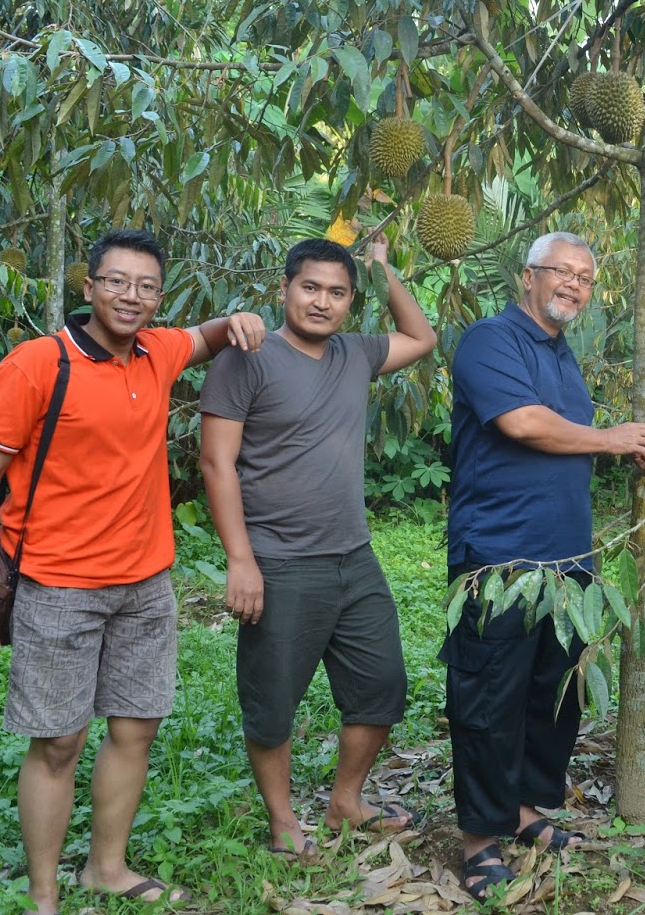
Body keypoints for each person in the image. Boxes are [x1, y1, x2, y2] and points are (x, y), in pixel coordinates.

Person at [0, 229, 265, 915]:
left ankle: (107, 867)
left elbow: (208, 335)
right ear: (88, 287)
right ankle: (42, 894)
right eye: (117, 282)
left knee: (135, 729)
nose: (132, 296)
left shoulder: (159, 352)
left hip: (146, 582)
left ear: (159, 297)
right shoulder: (38, 364)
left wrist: (238, 319)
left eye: (147, 286)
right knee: (59, 740)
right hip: (59, 583)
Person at [198, 235, 438, 863]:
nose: (321, 302)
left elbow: (422, 338)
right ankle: (282, 820)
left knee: (382, 685)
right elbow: (216, 463)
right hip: (278, 559)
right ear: (284, 288)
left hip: (353, 556)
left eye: (337, 292)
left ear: (350, 302)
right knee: (273, 699)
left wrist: (384, 269)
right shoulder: (244, 356)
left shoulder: (355, 354)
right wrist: (241, 559)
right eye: (309, 287)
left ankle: (346, 801)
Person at [442, 231, 645, 901]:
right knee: (489, 698)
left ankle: (523, 810)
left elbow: (566, 440)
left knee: (551, 695)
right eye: (561, 272)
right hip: (499, 560)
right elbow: (521, 423)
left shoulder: (564, 356)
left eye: (586, 278)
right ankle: (481, 839)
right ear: (527, 277)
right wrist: (611, 439)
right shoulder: (491, 340)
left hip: (568, 565)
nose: (574, 285)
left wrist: (631, 446)